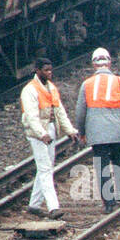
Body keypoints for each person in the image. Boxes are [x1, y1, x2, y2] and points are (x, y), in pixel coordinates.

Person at [76, 48, 120, 212]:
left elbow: (80, 112)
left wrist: (81, 132)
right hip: (116, 130)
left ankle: (109, 202)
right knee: (118, 159)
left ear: (93, 65)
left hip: (96, 132)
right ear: (109, 63)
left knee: (101, 165)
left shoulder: (86, 84)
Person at [22, 58, 80, 217]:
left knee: (46, 167)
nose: (49, 73)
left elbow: (60, 112)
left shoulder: (51, 88)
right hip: (38, 134)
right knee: (45, 168)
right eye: (46, 70)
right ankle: (53, 207)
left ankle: (34, 205)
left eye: (50, 70)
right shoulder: (30, 91)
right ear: (37, 70)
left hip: (50, 130)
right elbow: (32, 117)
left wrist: (70, 130)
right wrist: (42, 134)